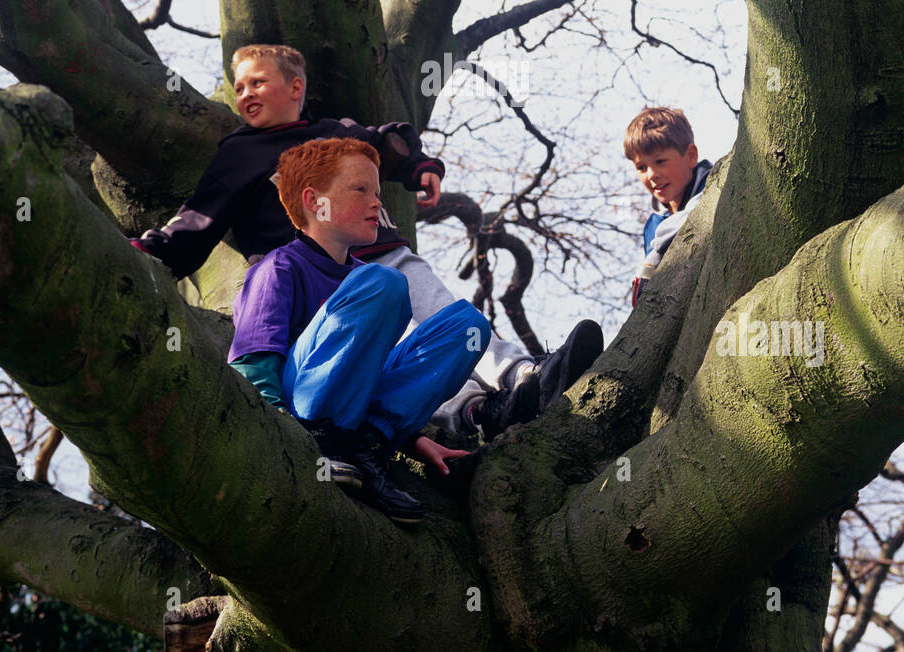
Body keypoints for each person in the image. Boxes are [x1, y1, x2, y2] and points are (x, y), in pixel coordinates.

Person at [132, 44, 603, 437]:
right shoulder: (239, 153)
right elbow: (200, 217)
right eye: (238, 87)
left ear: (296, 88)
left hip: (382, 254)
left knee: (447, 317)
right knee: (394, 352)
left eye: (257, 82)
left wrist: (419, 168)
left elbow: (383, 143)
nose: (245, 93)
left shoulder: (333, 133)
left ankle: (525, 376)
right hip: (319, 280)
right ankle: (475, 414)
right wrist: (152, 252)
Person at [228, 136, 490, 524]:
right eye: (361, 189)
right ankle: (323, 435)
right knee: (384, 282)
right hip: (296, 413)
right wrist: (280, 436)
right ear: (315, 202)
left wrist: (415, 442)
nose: (377, 202)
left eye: (378, 192)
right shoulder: (277, 268)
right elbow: (252, 363)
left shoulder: (362, 280)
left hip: (355, 418)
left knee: (468, 325)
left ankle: (370, 443)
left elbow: (372, 376)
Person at [624, 107, 712, 306]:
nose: (651, 175)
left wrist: (653, 258)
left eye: (660, 161)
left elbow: (696, 213)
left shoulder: (714, 184)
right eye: (641, 167)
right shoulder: (653, 226)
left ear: (690, 156)